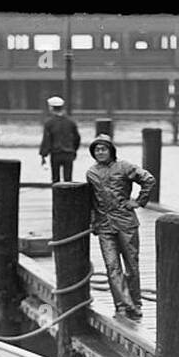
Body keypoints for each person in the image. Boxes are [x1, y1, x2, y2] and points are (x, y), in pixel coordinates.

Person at [85, 134, 155, 321]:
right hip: (104, 225)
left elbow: (148, 179)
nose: (100, 152)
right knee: (111, 266)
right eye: (97, 149)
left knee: (131, 265)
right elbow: (91, 201)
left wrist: (139, 201)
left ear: (111, 150)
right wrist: (93, 222)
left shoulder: (125, 167)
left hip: (126, 223)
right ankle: (122, 304)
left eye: (103, 149)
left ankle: (136, 303)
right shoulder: (91, 173)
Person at [39, 96, 80, 183]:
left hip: (56, 153)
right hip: (69, 152)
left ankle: (56, 196)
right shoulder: (70, 121)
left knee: (55, 179)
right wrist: (74, 149)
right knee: (68, 179)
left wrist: (43, 155)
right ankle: (68, 196)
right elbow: (77, 137)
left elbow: (46, 140)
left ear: (51, 107)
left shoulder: (49, 123)